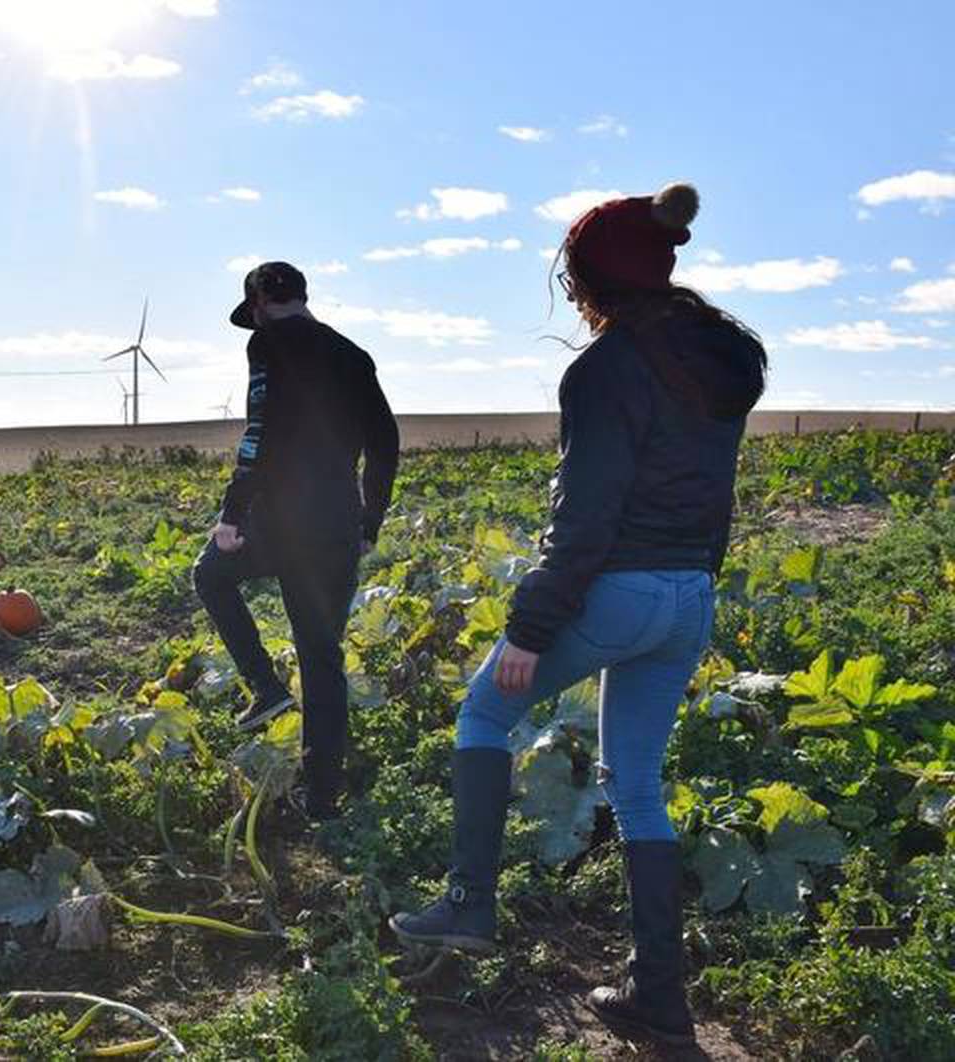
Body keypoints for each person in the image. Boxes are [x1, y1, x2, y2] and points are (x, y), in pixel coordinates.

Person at [388, 184, 767, 1046]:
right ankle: (657, 998)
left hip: (617, 589)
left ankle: (467, 906)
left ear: (589, 279)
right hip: (689, 597)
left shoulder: (604, 369)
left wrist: (530, 628)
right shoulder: (723, 361)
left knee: (486, 712)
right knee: (634, 785)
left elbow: (587, 517)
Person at [192, 261, 399, 821]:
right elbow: (385, 444)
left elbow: (259, 432)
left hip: (278, 523)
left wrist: (233, 514)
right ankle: (324, 801)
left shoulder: (267, 344)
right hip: (336, 525)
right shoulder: (354, 355)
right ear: (304, 296)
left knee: (210, 576)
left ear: (258, 304)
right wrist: (368, 521)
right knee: (321, 655)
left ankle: (264, 685)